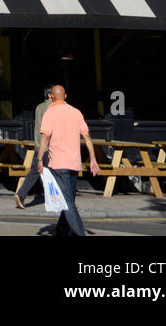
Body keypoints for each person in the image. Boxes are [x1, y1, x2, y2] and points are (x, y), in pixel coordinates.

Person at [37, 84, 99, 237]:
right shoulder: (76, 112)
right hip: (74, 163)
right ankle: (61, 231)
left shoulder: (49, 113)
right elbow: (87, 136)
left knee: (68, 203)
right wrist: (93, 159)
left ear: (51, 97)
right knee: (68, 199)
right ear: (65, 96)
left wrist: (39, 158)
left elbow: (45, 137)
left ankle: (79, 233)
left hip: (58, 164)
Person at [16, 86, 54, 209]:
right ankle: (64, 202)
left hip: (38, 145)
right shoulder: (51, 107)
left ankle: (21, 194)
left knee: (35, 171)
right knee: (57, 173)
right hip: (47, 146)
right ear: (49, 95)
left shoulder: (39, 107)